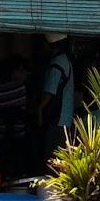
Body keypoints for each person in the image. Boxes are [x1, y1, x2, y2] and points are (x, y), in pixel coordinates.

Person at [0, 56, 30, 180]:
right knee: (16, 167)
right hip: (18, 135)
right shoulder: (21, 88)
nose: (22, 74)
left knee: (2, 168)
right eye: (19, 71)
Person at [38, 33, 75, 165]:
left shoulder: (57, 63)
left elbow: (50, 91)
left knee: (53, 156)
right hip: (66, 117)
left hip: (58, 117)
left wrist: (40, 109)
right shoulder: (65, 60)